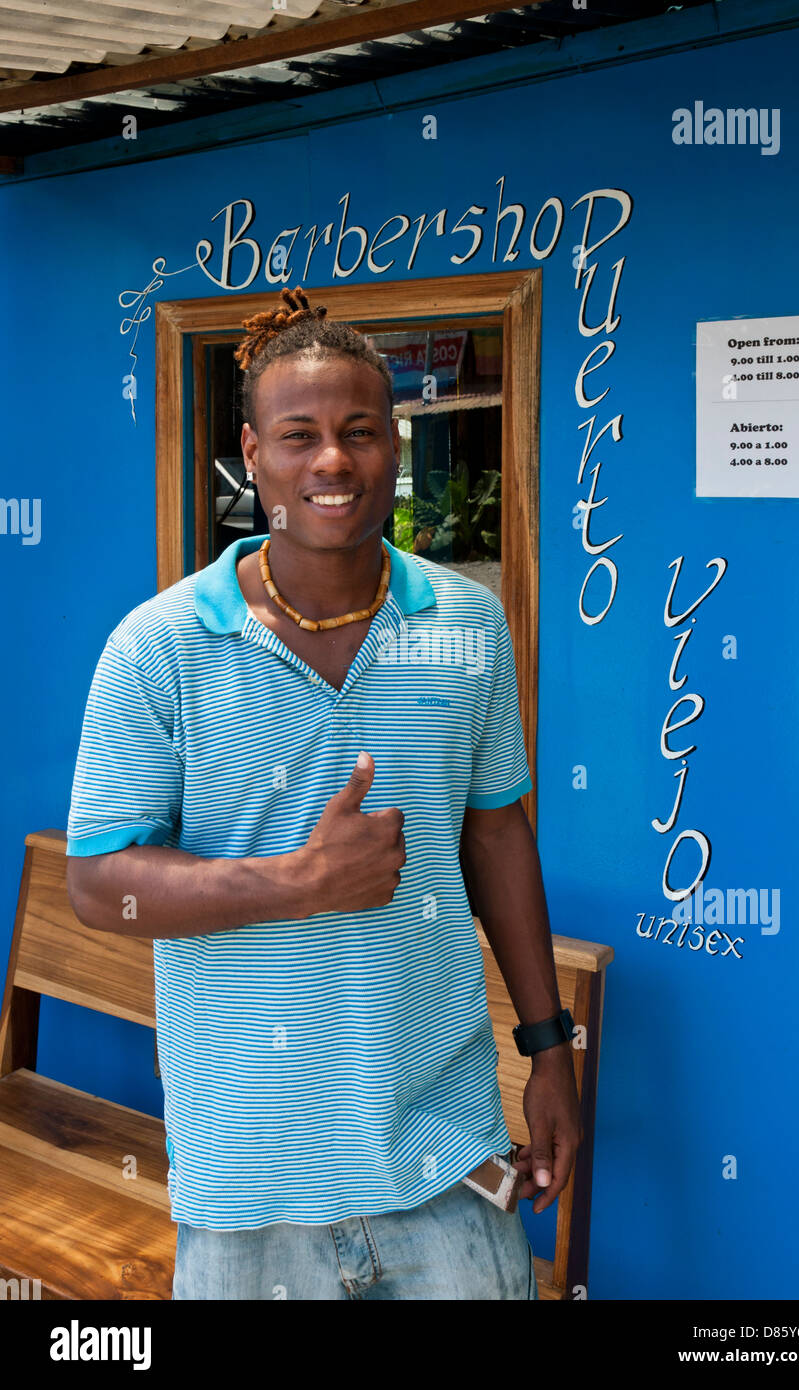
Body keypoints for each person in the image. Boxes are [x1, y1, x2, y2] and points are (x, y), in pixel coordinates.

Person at [65, 285, 583, 1300]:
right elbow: (97, 886)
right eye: (297, 435)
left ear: (392, 447)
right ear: (251, 457)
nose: (332, 461)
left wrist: (548, 1049)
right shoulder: (160, 646)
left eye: (358, 431)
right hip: (245, 1176)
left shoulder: (466, 626)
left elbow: (497, 837)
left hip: (448, 1155)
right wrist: (295, 881)